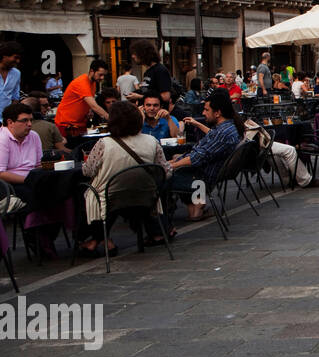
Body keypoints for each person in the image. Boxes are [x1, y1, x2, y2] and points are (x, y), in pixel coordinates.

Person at [76, 101, 172, 256]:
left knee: (86, 194)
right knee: (119, 192)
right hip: (145, 197)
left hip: (110, 198)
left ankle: (96, 239)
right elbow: (165, 172)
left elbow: (87, 171)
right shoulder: (151, 141)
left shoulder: (104, 144)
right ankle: (101, 239)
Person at [169, 88, 243, 222]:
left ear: (218, 113)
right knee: (176, 158)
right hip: (206, 172)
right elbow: (213, 137)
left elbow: (197, 158)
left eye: (206, 110)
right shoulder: (227, 127)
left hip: (200, 177)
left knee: (161, 177)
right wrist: (197, 123)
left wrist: (171, 166)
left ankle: (162, 221)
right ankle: (196, 207)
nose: (203, 113)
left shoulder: (223, 133)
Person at [54, 59, 110, 138]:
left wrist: (89, 111)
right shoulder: (82, 83)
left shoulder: (93, 83)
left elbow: (89, 104)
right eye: (100, 75)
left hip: (79, 124)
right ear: (91, 71)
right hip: (66, 124)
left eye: (104, 75)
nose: (102, 78)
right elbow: (94, 105)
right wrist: (110, 118)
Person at [130, 41, 173, 105]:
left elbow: (165, 97)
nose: (133, 56)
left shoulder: (160, 70)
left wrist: (139, 97)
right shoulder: (148, 71)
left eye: (135, 53)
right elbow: (149, 92)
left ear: (143, 53)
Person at [0, 42, 23, 115]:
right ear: (4, 56)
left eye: (19, 58)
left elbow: (15, 97)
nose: (17, 61)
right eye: (15, 57)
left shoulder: (16, 73)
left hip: (4, 120)